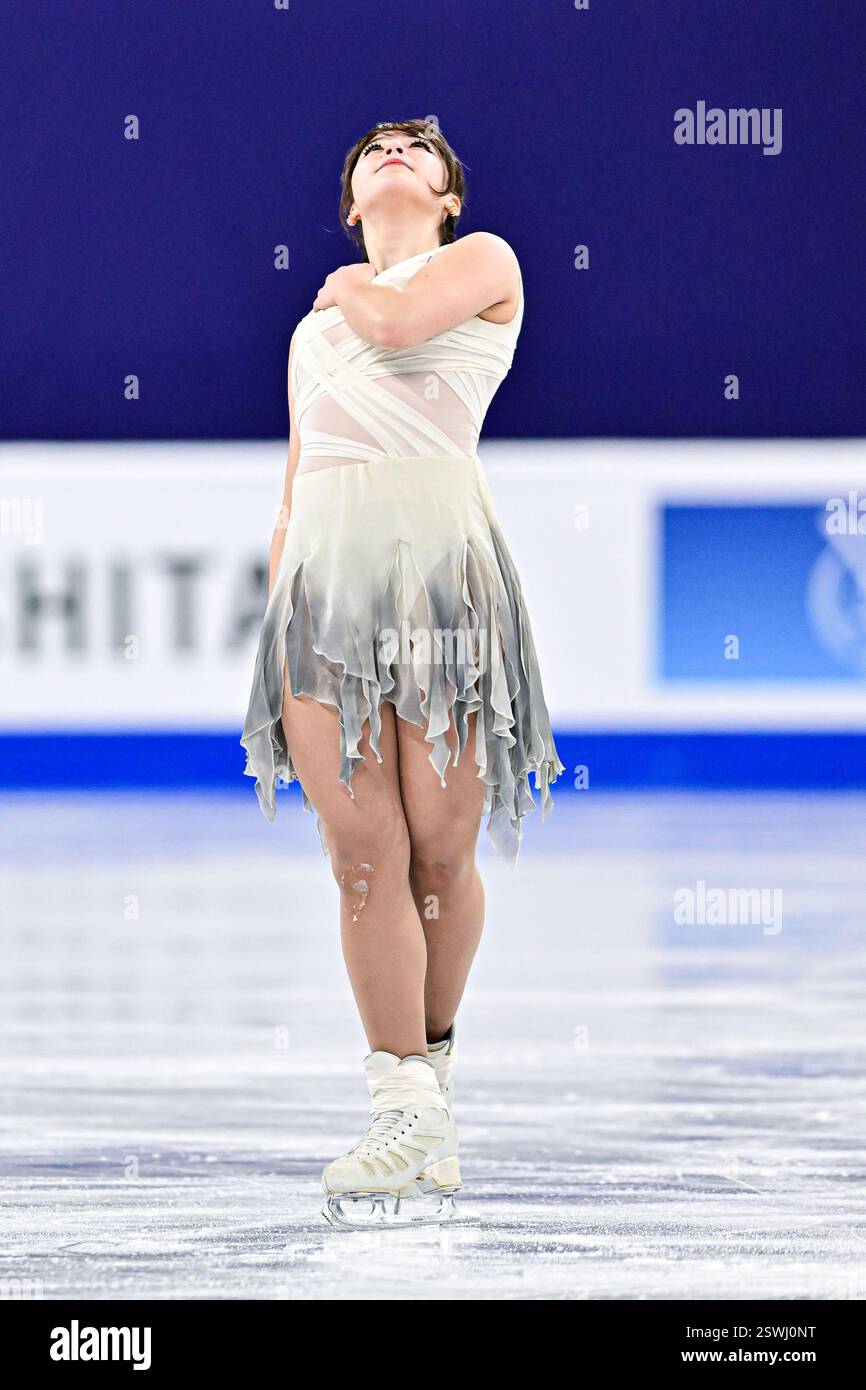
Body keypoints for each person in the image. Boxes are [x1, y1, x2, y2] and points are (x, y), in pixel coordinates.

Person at [240, 119, 563, 1226]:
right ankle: (401, 1103)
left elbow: (388, 317)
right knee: (361, 851)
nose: (393, 149)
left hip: (443, 593)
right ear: (350, 201)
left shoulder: (482, 266)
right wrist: (279, 615)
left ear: (446, 196)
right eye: (373, 148)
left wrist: (343, 280)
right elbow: (295, 486)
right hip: (320, 606)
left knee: (438, 847)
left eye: (417, 148)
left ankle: (431, 1081)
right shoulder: (308, 335)